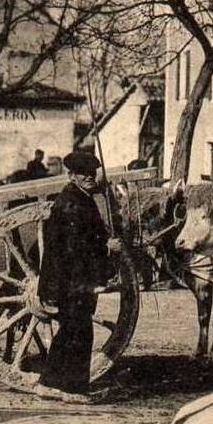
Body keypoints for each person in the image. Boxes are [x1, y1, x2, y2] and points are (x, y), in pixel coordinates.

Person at [34, 151, 121, 403]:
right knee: (79, 333)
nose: (89, 177)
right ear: (71, 175)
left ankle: (49, 384)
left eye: (92, 172)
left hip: (70, 280)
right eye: (83, 173)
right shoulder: (73, 203)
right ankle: (73, 390)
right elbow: (75, 247)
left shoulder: (80, 198)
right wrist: (107, 248)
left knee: (71, 331)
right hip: (71, 281)